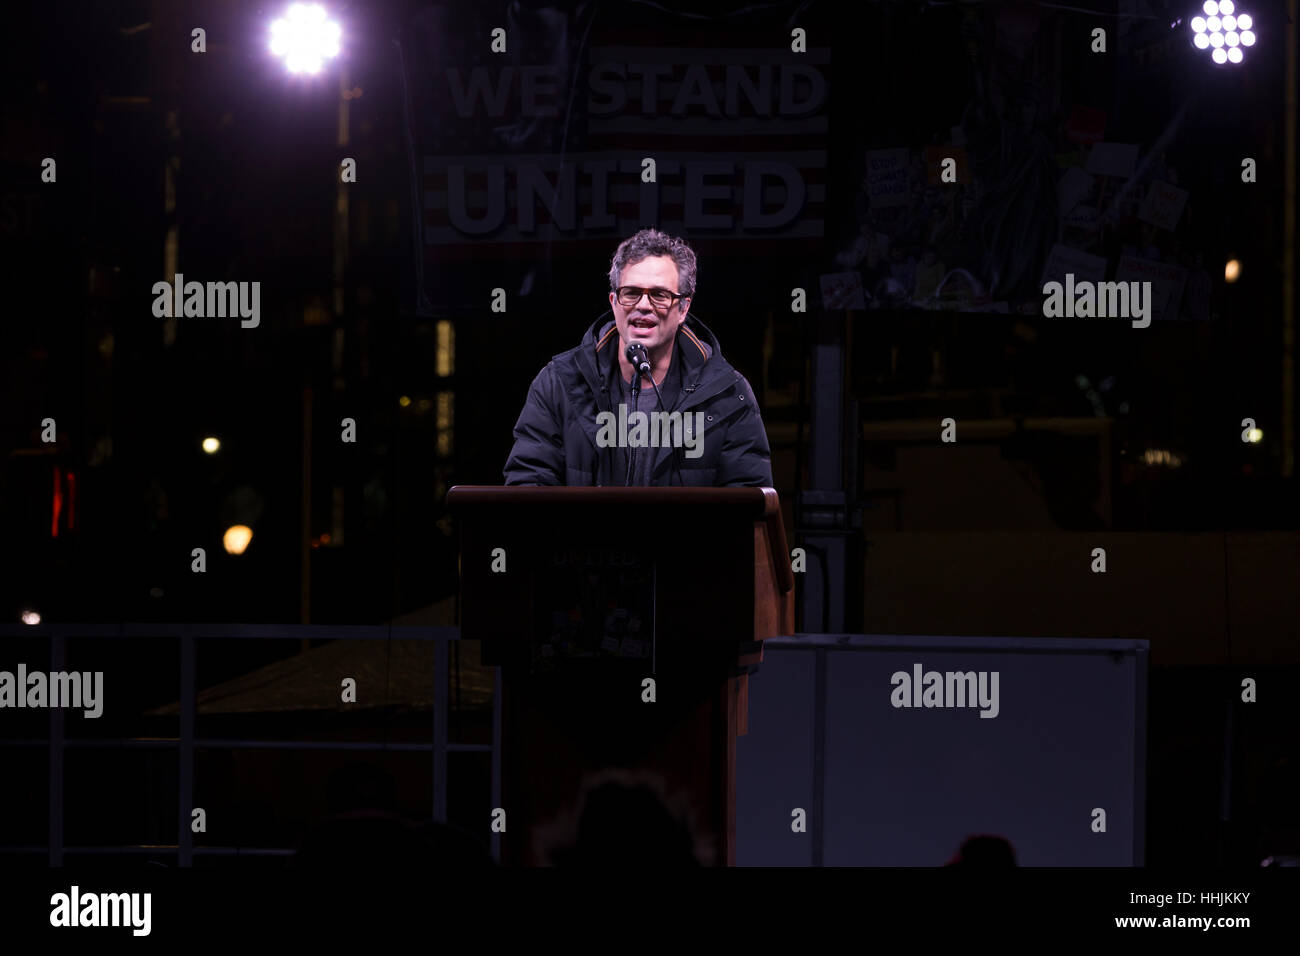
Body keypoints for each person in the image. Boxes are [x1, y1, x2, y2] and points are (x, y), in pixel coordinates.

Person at [503, 228, 772, 487]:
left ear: (683, 309)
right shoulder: (558, 383)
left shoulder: (728, 393)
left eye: (659, 295)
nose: (643, 306)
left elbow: (748, 505)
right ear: (613, 301)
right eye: (631, 293)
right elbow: (529, 485)